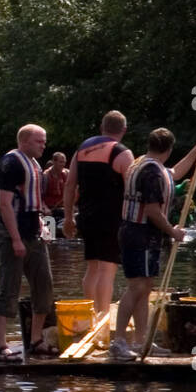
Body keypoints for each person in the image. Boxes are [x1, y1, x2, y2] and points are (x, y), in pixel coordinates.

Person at [111, 130, 196, 360]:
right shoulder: (151, 172)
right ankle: (118, 342)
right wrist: (173, 231)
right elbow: (152, 211)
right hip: (139, 235)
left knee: (145, 289)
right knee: (136, 287)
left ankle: (141, 341)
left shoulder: (144, 163)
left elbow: (175, 172)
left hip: (141, 235)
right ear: (169, 149)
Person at [62, 111, 133, 318]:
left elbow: (69, 185)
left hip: (86, 216)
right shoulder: (122, 153)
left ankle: (89, 314)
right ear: (124, 130)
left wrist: (68, 217)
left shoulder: (82, 149)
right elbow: (131, 191)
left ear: (102, 128)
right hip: (111, 218)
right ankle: (102, 317)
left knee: (92, 267)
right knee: (107, 270)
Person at [0, 124, 54, 361]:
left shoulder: (37, 165)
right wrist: (16, 239)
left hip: (34, 235)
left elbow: (37, 205)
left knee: (44, 287)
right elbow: (4, 204)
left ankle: (36, 340)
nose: (43, 145)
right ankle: (1, 346)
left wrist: (46, 233)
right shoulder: (11, 164)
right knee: (9, 288)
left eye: (44, 141)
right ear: (25, 141)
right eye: (39, 141)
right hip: (12, 236)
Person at [43, 151, 69, 225]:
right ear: (54, 162)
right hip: (50, 209)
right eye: (61, 162)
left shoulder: (67, 174)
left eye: (64, 162)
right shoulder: (46, 176)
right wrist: (45, 208)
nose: (63, 165)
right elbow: (40, 196)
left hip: (63, 208)